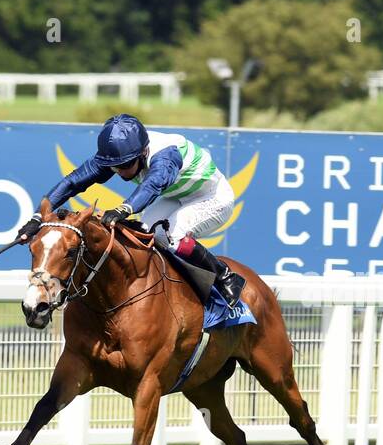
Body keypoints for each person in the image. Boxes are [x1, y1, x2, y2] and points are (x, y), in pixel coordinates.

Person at [16, 114, 244, 304]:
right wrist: (37, 217)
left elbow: (152, 185)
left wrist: (124, 209)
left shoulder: (165, 155)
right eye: (114, 166)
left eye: (125, 165)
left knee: (171, 235)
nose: (121, 171)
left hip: (212, 198)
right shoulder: (118, 156)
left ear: (143, 153)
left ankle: (224, 277)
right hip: (176, 196)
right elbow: (73, 182)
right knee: (145, 233)